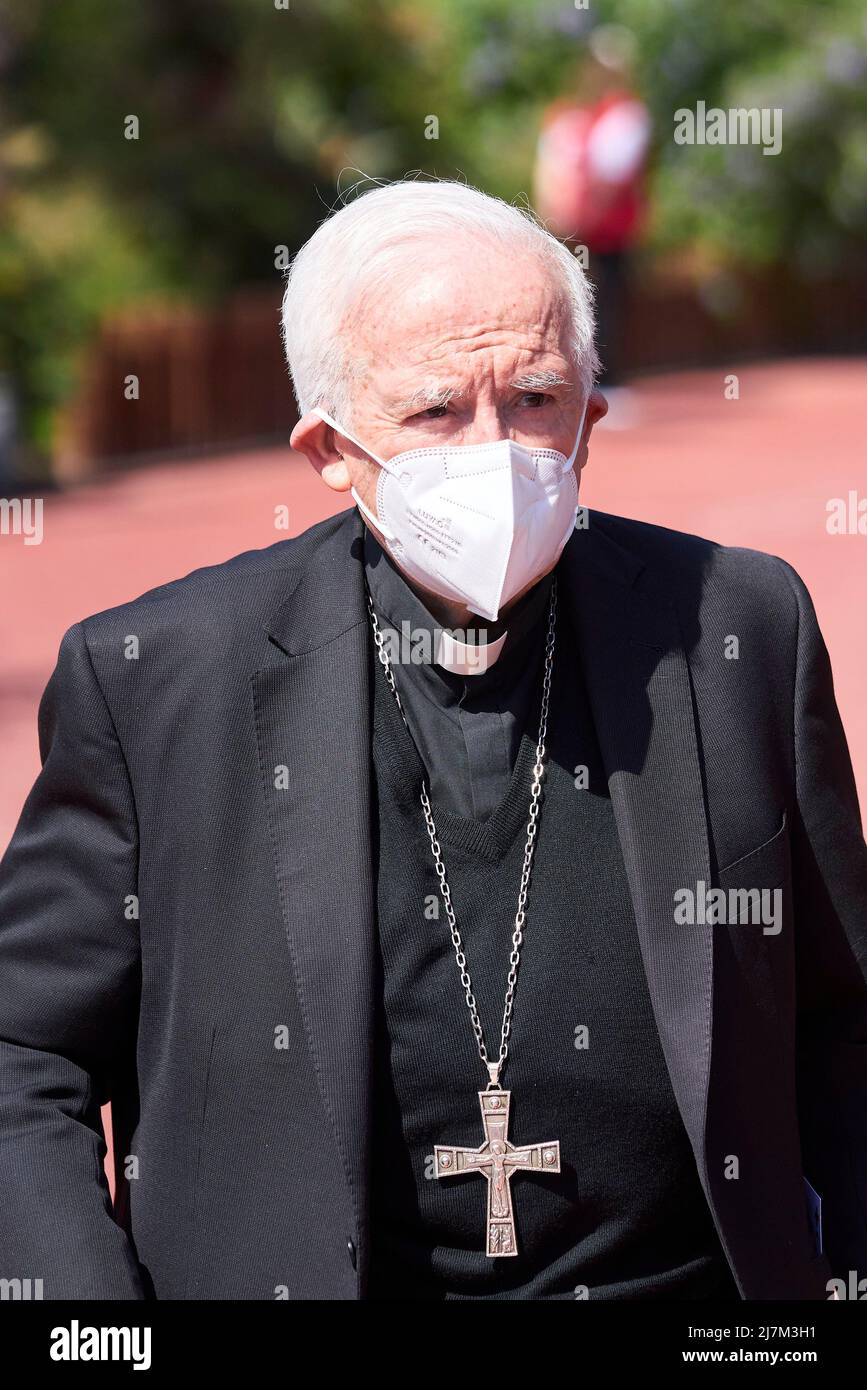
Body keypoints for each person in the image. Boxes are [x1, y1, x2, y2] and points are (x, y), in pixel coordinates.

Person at [0, 179, 865, 1301]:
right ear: (329, 448)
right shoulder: (156, 679)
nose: (496, 449)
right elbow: (24, 1051)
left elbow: (845, 1018)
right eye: (435, 411)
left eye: (539, 396)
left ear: (594, 412)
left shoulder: (737, 627)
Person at [534, 26, 651, 400]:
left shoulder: (606, 115)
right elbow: (597, 174)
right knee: (595, 300)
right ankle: (598, 381)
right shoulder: (593, 116)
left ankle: (602, 379)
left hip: (599, 227)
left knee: (603, 300)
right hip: (594, 226)